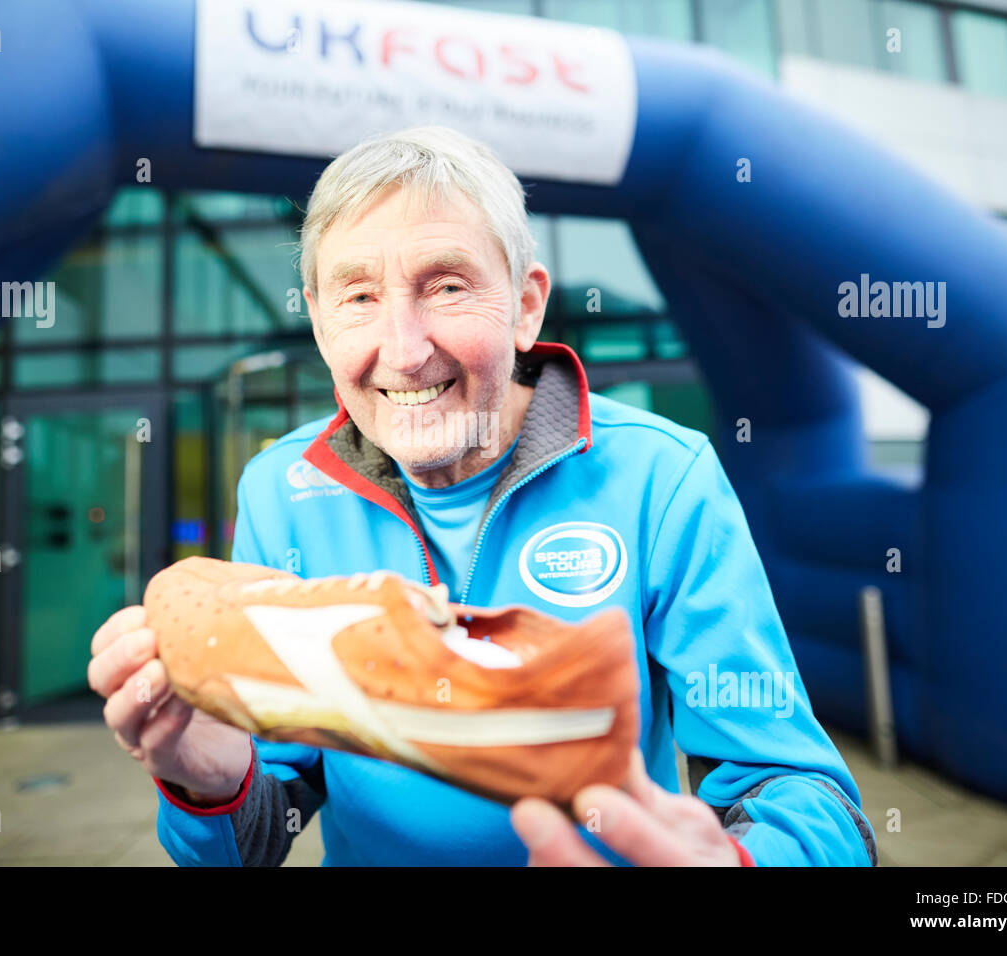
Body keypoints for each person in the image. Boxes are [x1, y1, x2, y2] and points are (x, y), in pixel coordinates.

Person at [87, 126, 878, 867]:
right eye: (358, 297)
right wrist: (207, 776)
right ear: (324, 328)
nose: (403, 348)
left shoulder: (662, 477)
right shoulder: (280, 487)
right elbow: (259, 832)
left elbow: (803, 792)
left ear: (526, 305)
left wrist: (739, 860)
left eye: (446, 286)